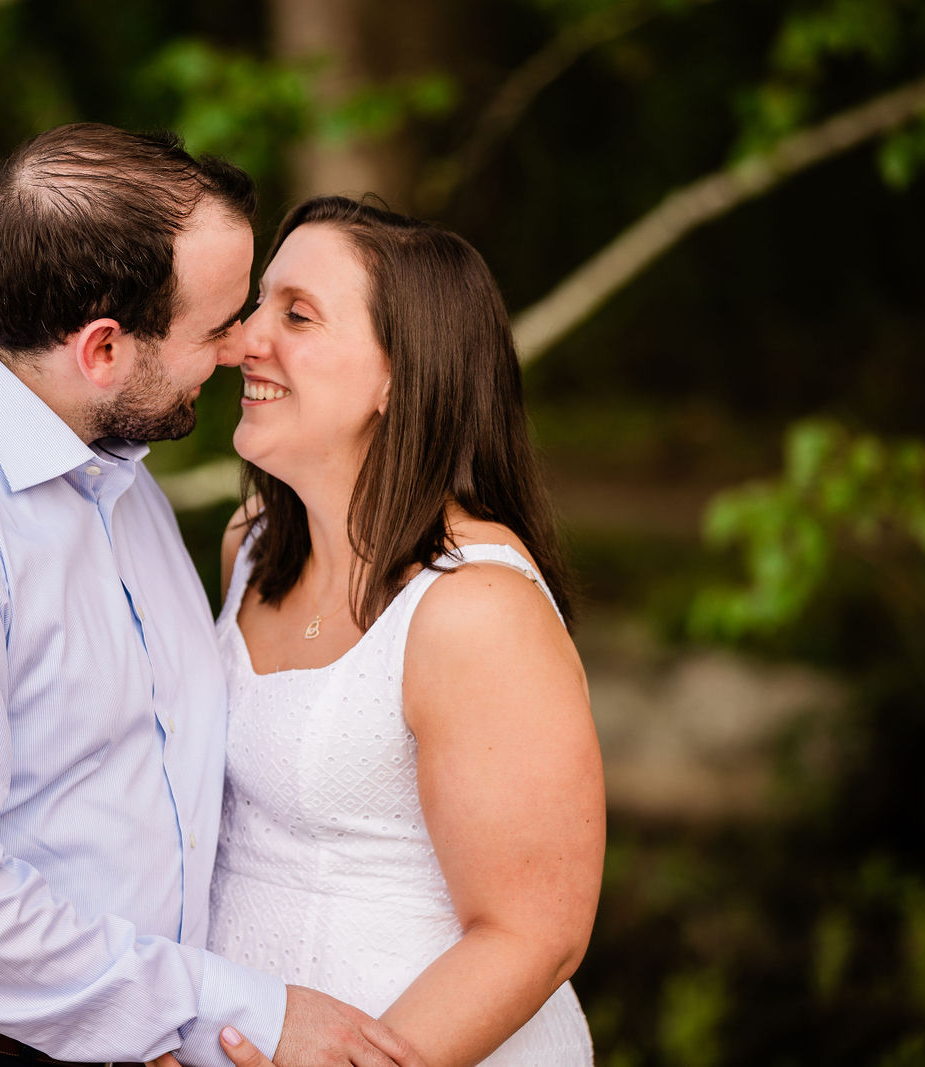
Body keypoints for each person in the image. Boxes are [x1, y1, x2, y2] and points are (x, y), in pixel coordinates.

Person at [0, 127, 424, 1067]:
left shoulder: (116, 475)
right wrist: (237, 1011)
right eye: (218, 326)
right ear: (103, 348)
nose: (239, 350)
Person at [205, 197, 605, 1067]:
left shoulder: (475, 608)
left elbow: (535, 932)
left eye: (296, 314)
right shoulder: (252, 545)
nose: (242, 340)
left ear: (401, 375)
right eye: (257, 305)